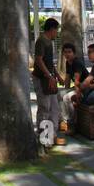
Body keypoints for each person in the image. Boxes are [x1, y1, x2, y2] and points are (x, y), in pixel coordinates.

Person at [32, 18, 60, 148]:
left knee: (54, 107)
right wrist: (49, 76)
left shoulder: (50, 42)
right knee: (45, 107)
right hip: (42, 79)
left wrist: (57, 75)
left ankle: (52, 134)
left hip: (51, 78)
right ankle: (43, 137)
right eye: (56, 30)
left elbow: (49, 62)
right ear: (52, 29)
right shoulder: (41, 41)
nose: (57, 33)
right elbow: (38, 60)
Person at [58, 42, 88, 133]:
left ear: (74, 53)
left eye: (69, 52)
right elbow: (67, 78)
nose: (67, 54)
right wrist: (65, 90)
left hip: (84, 89)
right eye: (65, 52)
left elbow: (77, 80)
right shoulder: (68, 62)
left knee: (67, 97)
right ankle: (63, 121)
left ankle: (72, 125)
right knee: (59, 94)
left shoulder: (77, 63)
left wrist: (77, 94)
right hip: (76, 88)